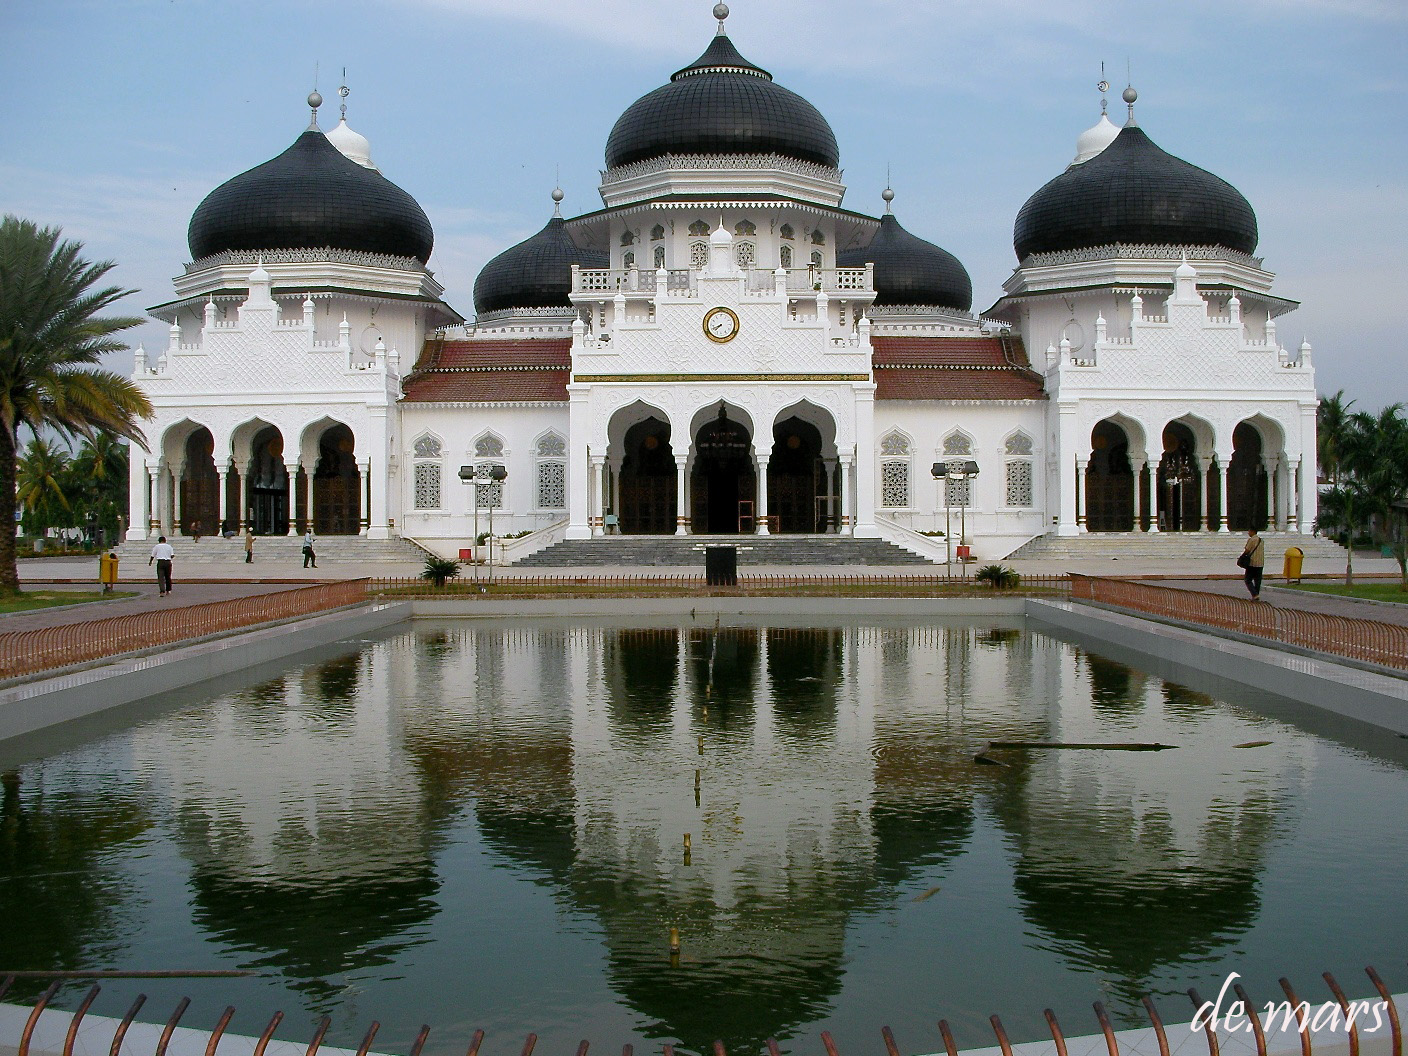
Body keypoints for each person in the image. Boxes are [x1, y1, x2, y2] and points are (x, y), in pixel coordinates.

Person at [1241, 527, 1265, 600]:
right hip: (1260, 563)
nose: (1248, 533)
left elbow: (1247, 550)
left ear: (1252, 531)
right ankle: (1256, 594)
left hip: (1252, 562)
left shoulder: (1251, 540)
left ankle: (1254, 594)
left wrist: (1242, 556)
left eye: (1249, 531)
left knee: (1248, 579)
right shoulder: (1261, 540)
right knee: (1257, 581)